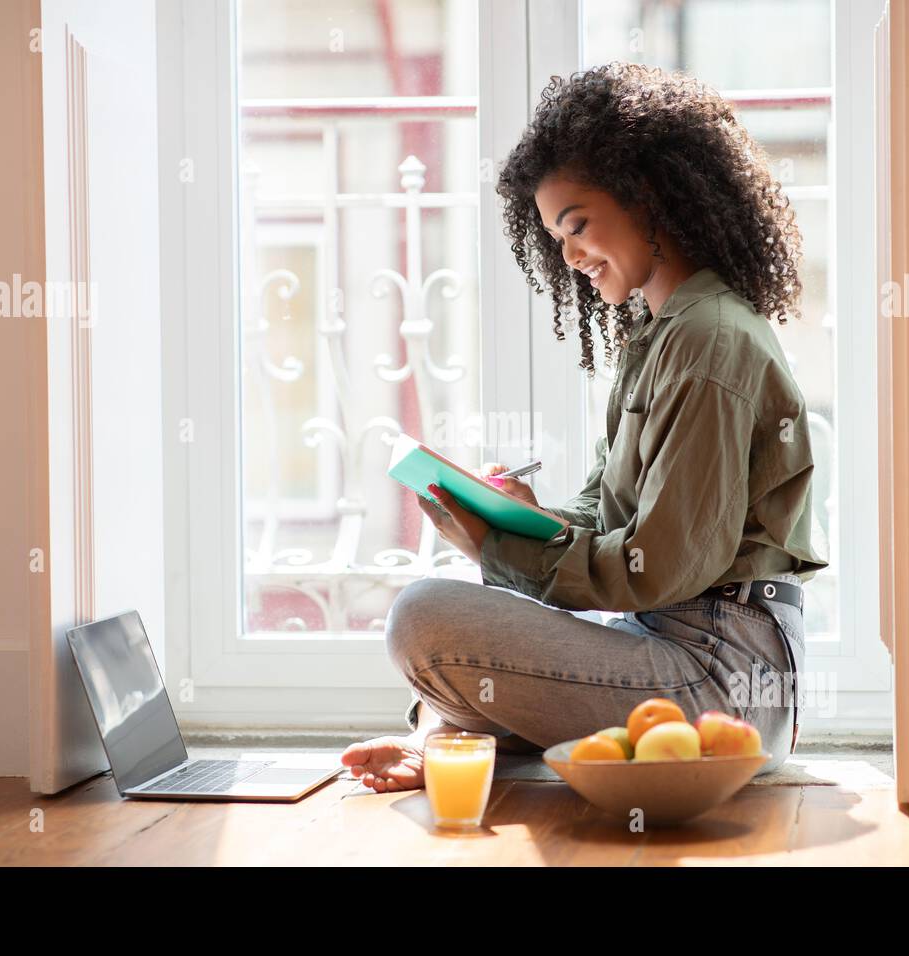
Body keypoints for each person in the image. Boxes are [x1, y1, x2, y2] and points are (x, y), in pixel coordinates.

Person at [341, 61, 828, 792]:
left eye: (578, 225)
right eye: (555, 236)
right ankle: (445, 741)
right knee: (458, 612)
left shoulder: (709, 341)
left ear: (651, 200)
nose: (568, 255)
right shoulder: (661, 335)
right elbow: (606, 514)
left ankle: (455, 737)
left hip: (722, 679)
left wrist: (507, 550)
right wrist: (520, 521)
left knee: (422, 615)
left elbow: (659, 566)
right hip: (667, 642)